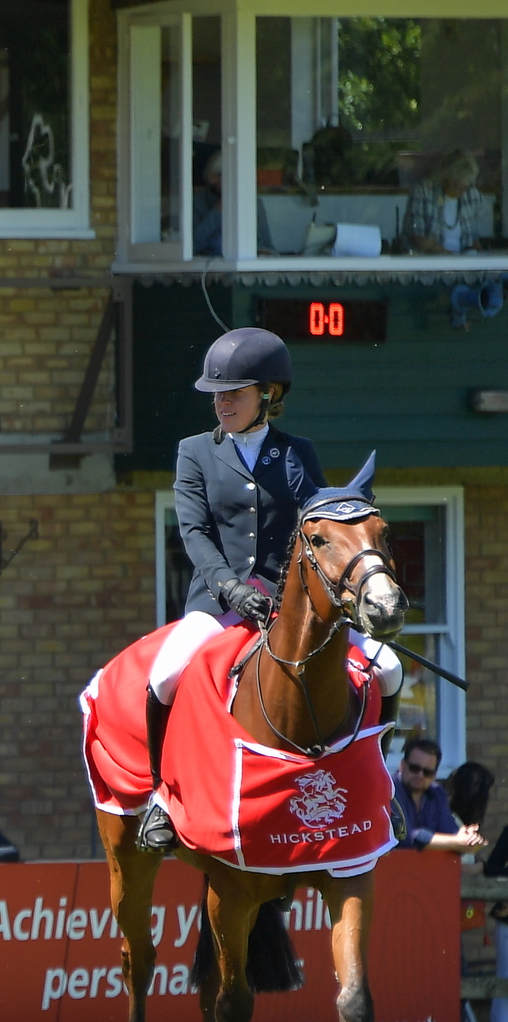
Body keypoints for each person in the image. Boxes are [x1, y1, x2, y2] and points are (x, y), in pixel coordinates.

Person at [134, 327, 401, 851]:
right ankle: (161, 796)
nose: (222, 402)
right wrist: (230, 588)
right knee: (165, 675)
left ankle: (382, 783)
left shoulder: (297, 454)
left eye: (234, 391)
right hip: (217, 601)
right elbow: (195, 532)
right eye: (217, 393)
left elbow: (317, 525)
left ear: (269, 396)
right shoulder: (194, 453)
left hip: (294, 608)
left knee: (388, 668)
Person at [393, 738, 486, 854]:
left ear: (434, 774)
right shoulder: (388, 791)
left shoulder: (437, 793)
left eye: (427, 772)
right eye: (414, 768)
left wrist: (468, 839)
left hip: (430, 869)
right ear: (402, 765)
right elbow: (405, 837)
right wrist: (457, 841)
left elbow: (450, 832)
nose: (420, 775)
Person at [404, 150, 486, 256]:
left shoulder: (473, 195)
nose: (460, 190)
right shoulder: (423, 192)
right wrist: (447, 256)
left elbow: (473, 239)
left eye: (465, 185)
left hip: (463, 264)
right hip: (429, 263)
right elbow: (417, 237)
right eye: (456, 183)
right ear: (445, 177)